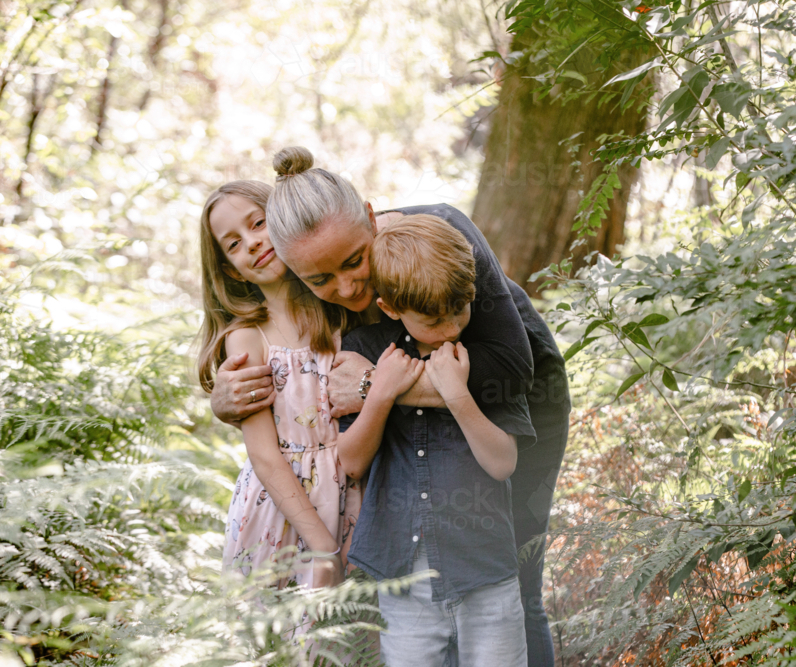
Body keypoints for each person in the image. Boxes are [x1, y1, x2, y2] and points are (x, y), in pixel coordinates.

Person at [210, 147, 572, 666]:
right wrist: (226, 398)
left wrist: (376, 387)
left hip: (514, 400)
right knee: (424, 579)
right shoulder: (307, 264)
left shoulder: (439, 232)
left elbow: (510, 368)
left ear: (371, 215)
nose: (348, 286)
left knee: (507, 577)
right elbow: (281, 358)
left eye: (356, 261)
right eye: (322, 281)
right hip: (408, 425)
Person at [334, 213, 535, 664]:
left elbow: (503, 463)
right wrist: (381, 392)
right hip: (401, 576)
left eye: (458, 312)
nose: (449, 329)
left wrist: (458, 395)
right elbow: (350, 462)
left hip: (483, 566)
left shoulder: (483, 357)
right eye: (432, 319)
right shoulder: (366, 351)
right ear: (389, 307)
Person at [196, 180, 417, 590]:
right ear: (229, 268)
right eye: (232, 244)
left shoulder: (346, 311)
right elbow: (264, 456)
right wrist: (320, 545)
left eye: (258, 223)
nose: (251, 242)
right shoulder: (248, 339)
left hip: (363, 499)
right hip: (284, 514)